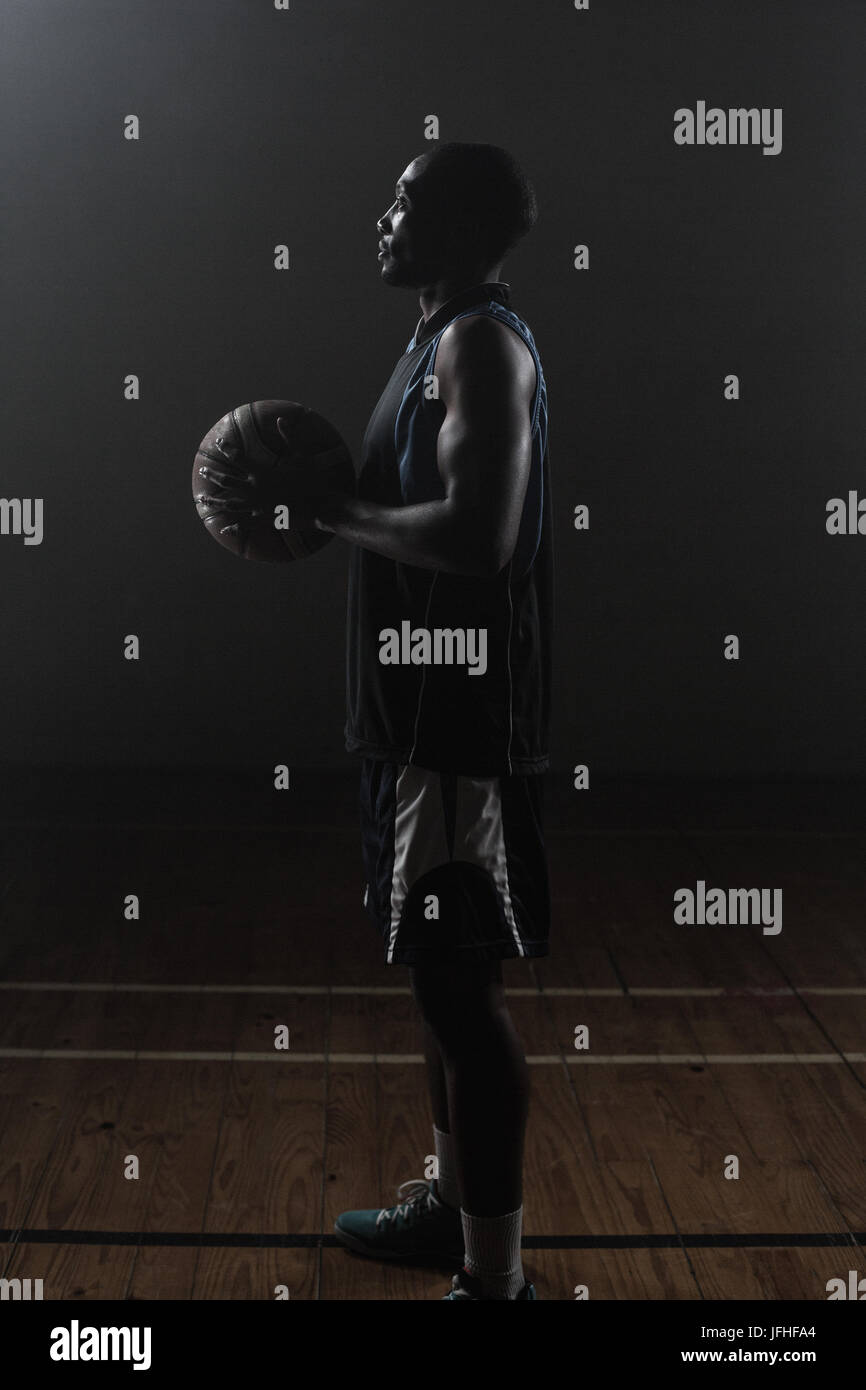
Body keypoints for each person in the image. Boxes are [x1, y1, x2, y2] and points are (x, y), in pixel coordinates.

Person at [280, 142, 553, 1300]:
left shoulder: (478, 345)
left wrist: (338, 511)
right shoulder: (433, 339)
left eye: (407, 199)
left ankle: (495, 1283)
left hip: (456, 721)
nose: (382, 214)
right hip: (412, 717)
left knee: (460, 989)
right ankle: (451, 1210)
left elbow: (480, 535)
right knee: (434, 979)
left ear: (461, 226)